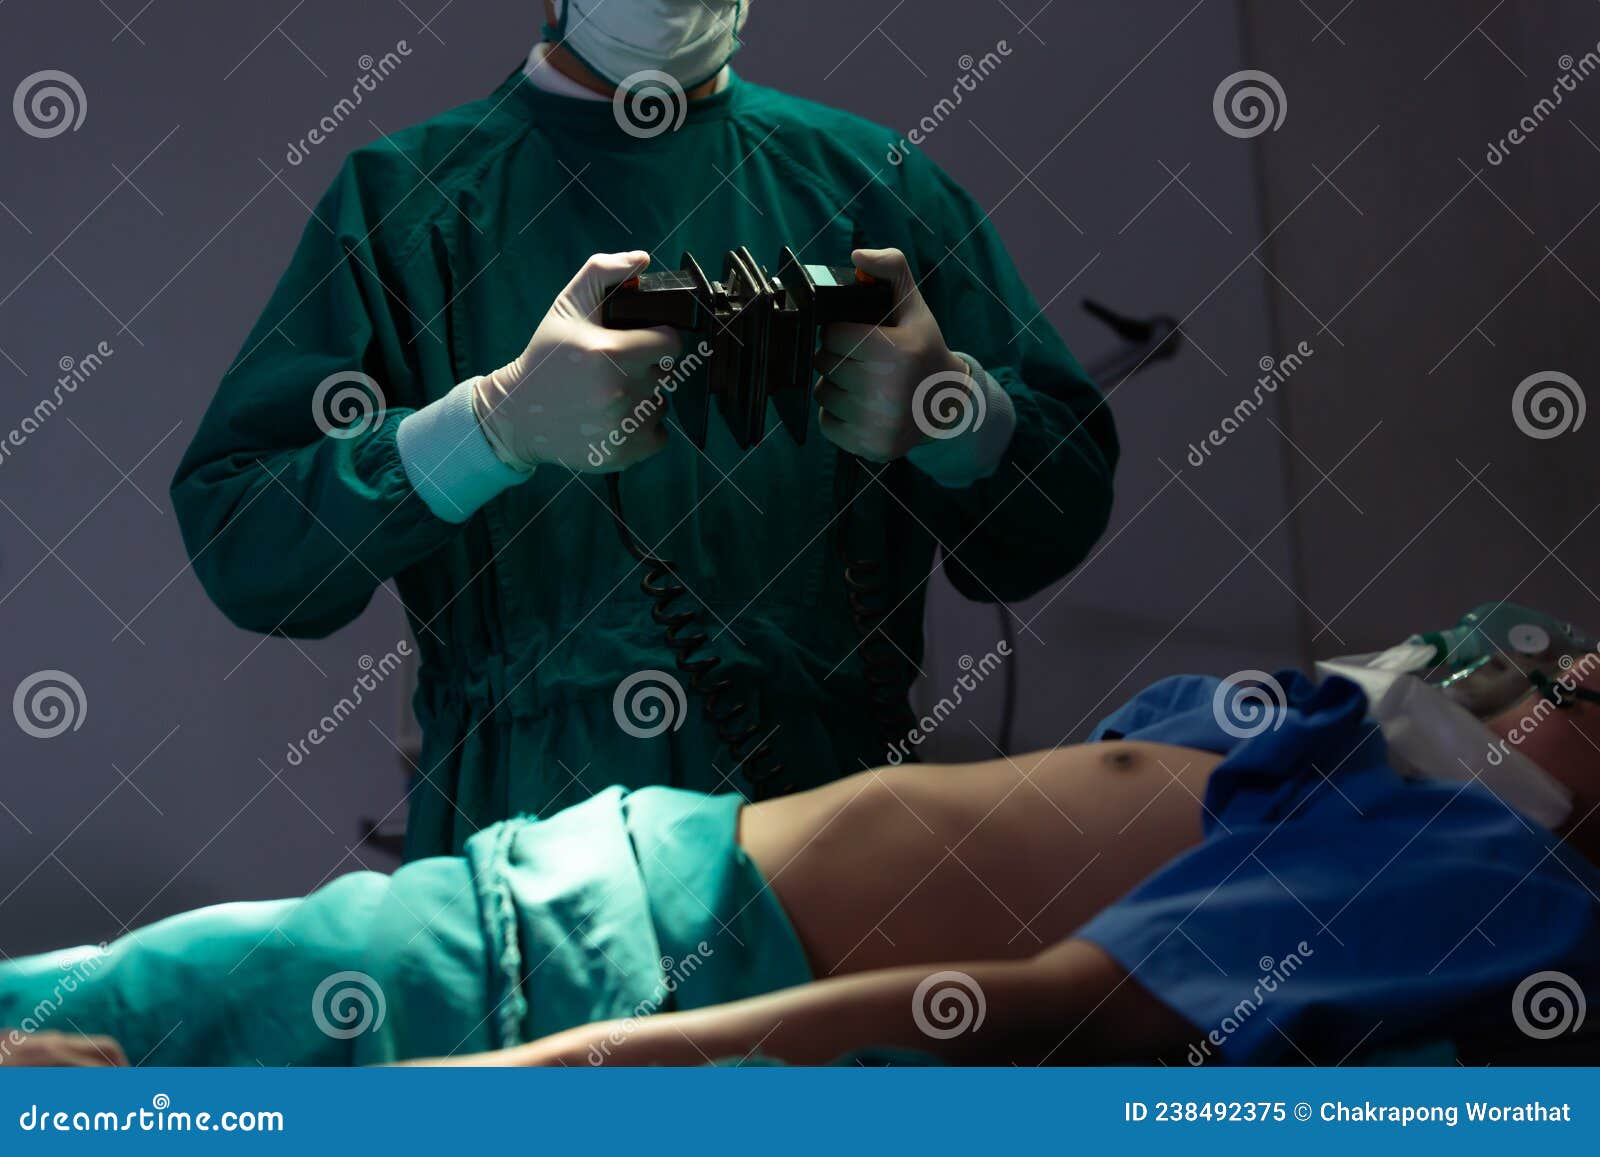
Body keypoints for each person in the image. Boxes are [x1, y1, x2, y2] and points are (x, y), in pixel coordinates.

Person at [168, 0, 1118, 858]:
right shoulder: (407, 205)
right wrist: (488, 428)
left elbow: (1056, 516)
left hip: (833, 837)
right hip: (517, 835)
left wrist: (955, 414)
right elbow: (247, 546)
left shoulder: (878, 190)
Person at [5, 618, 1598, 1067]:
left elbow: (1036, 1006)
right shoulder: (1360, 761)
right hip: (578, 892)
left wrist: (545, 1083)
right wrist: (1412, 699)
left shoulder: (1491, 881)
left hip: (597, 994)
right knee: (82, 1022)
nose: (1573, 660)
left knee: (96, 1049)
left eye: (1589, 684)